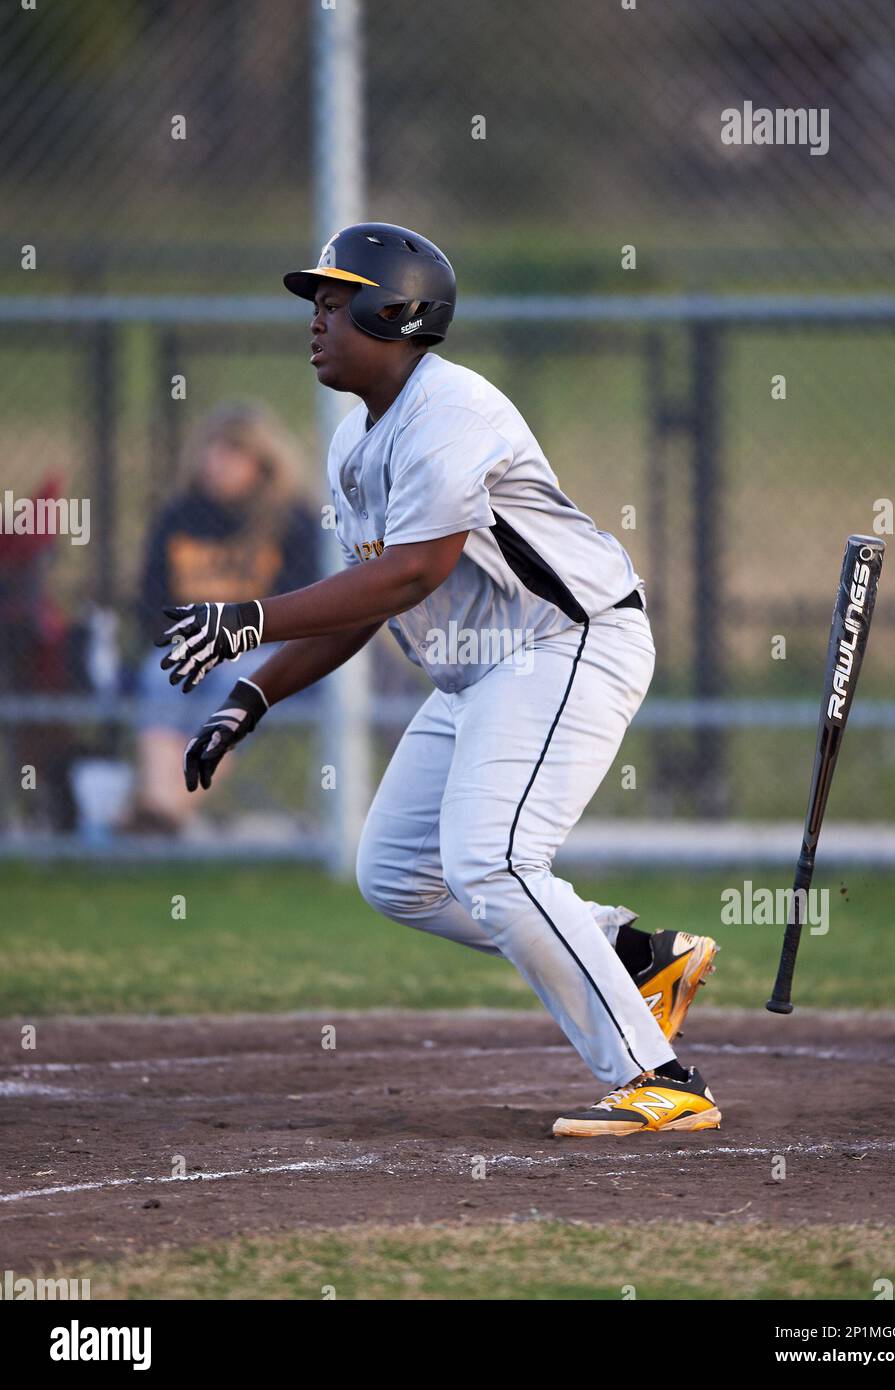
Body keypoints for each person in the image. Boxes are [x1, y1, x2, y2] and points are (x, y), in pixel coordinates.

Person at [155, 223, 722, 1136]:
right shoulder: (354, 442)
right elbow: (364, 598)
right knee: (397, 874)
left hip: (567, 643)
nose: (316, 322)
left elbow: (411, 573)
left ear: (396, 312)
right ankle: (632, 953)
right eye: (318, 306)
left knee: (492, 858)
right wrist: (250, 695)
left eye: (336, 305)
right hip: (480, 675)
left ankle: (661, 1075)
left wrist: (248, 617)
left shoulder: (452, 413)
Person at [127, 403, 317, 833]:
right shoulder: (180, 516)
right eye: (211, 451)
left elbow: (306, 610)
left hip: (261, 650)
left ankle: (164, 812)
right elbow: (150, 601)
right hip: (189, 643)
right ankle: (164, 808)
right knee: (161, 674)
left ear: (261, 464)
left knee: (235, 683)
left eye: (232, 454)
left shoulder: (292, 520)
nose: (216, 463)